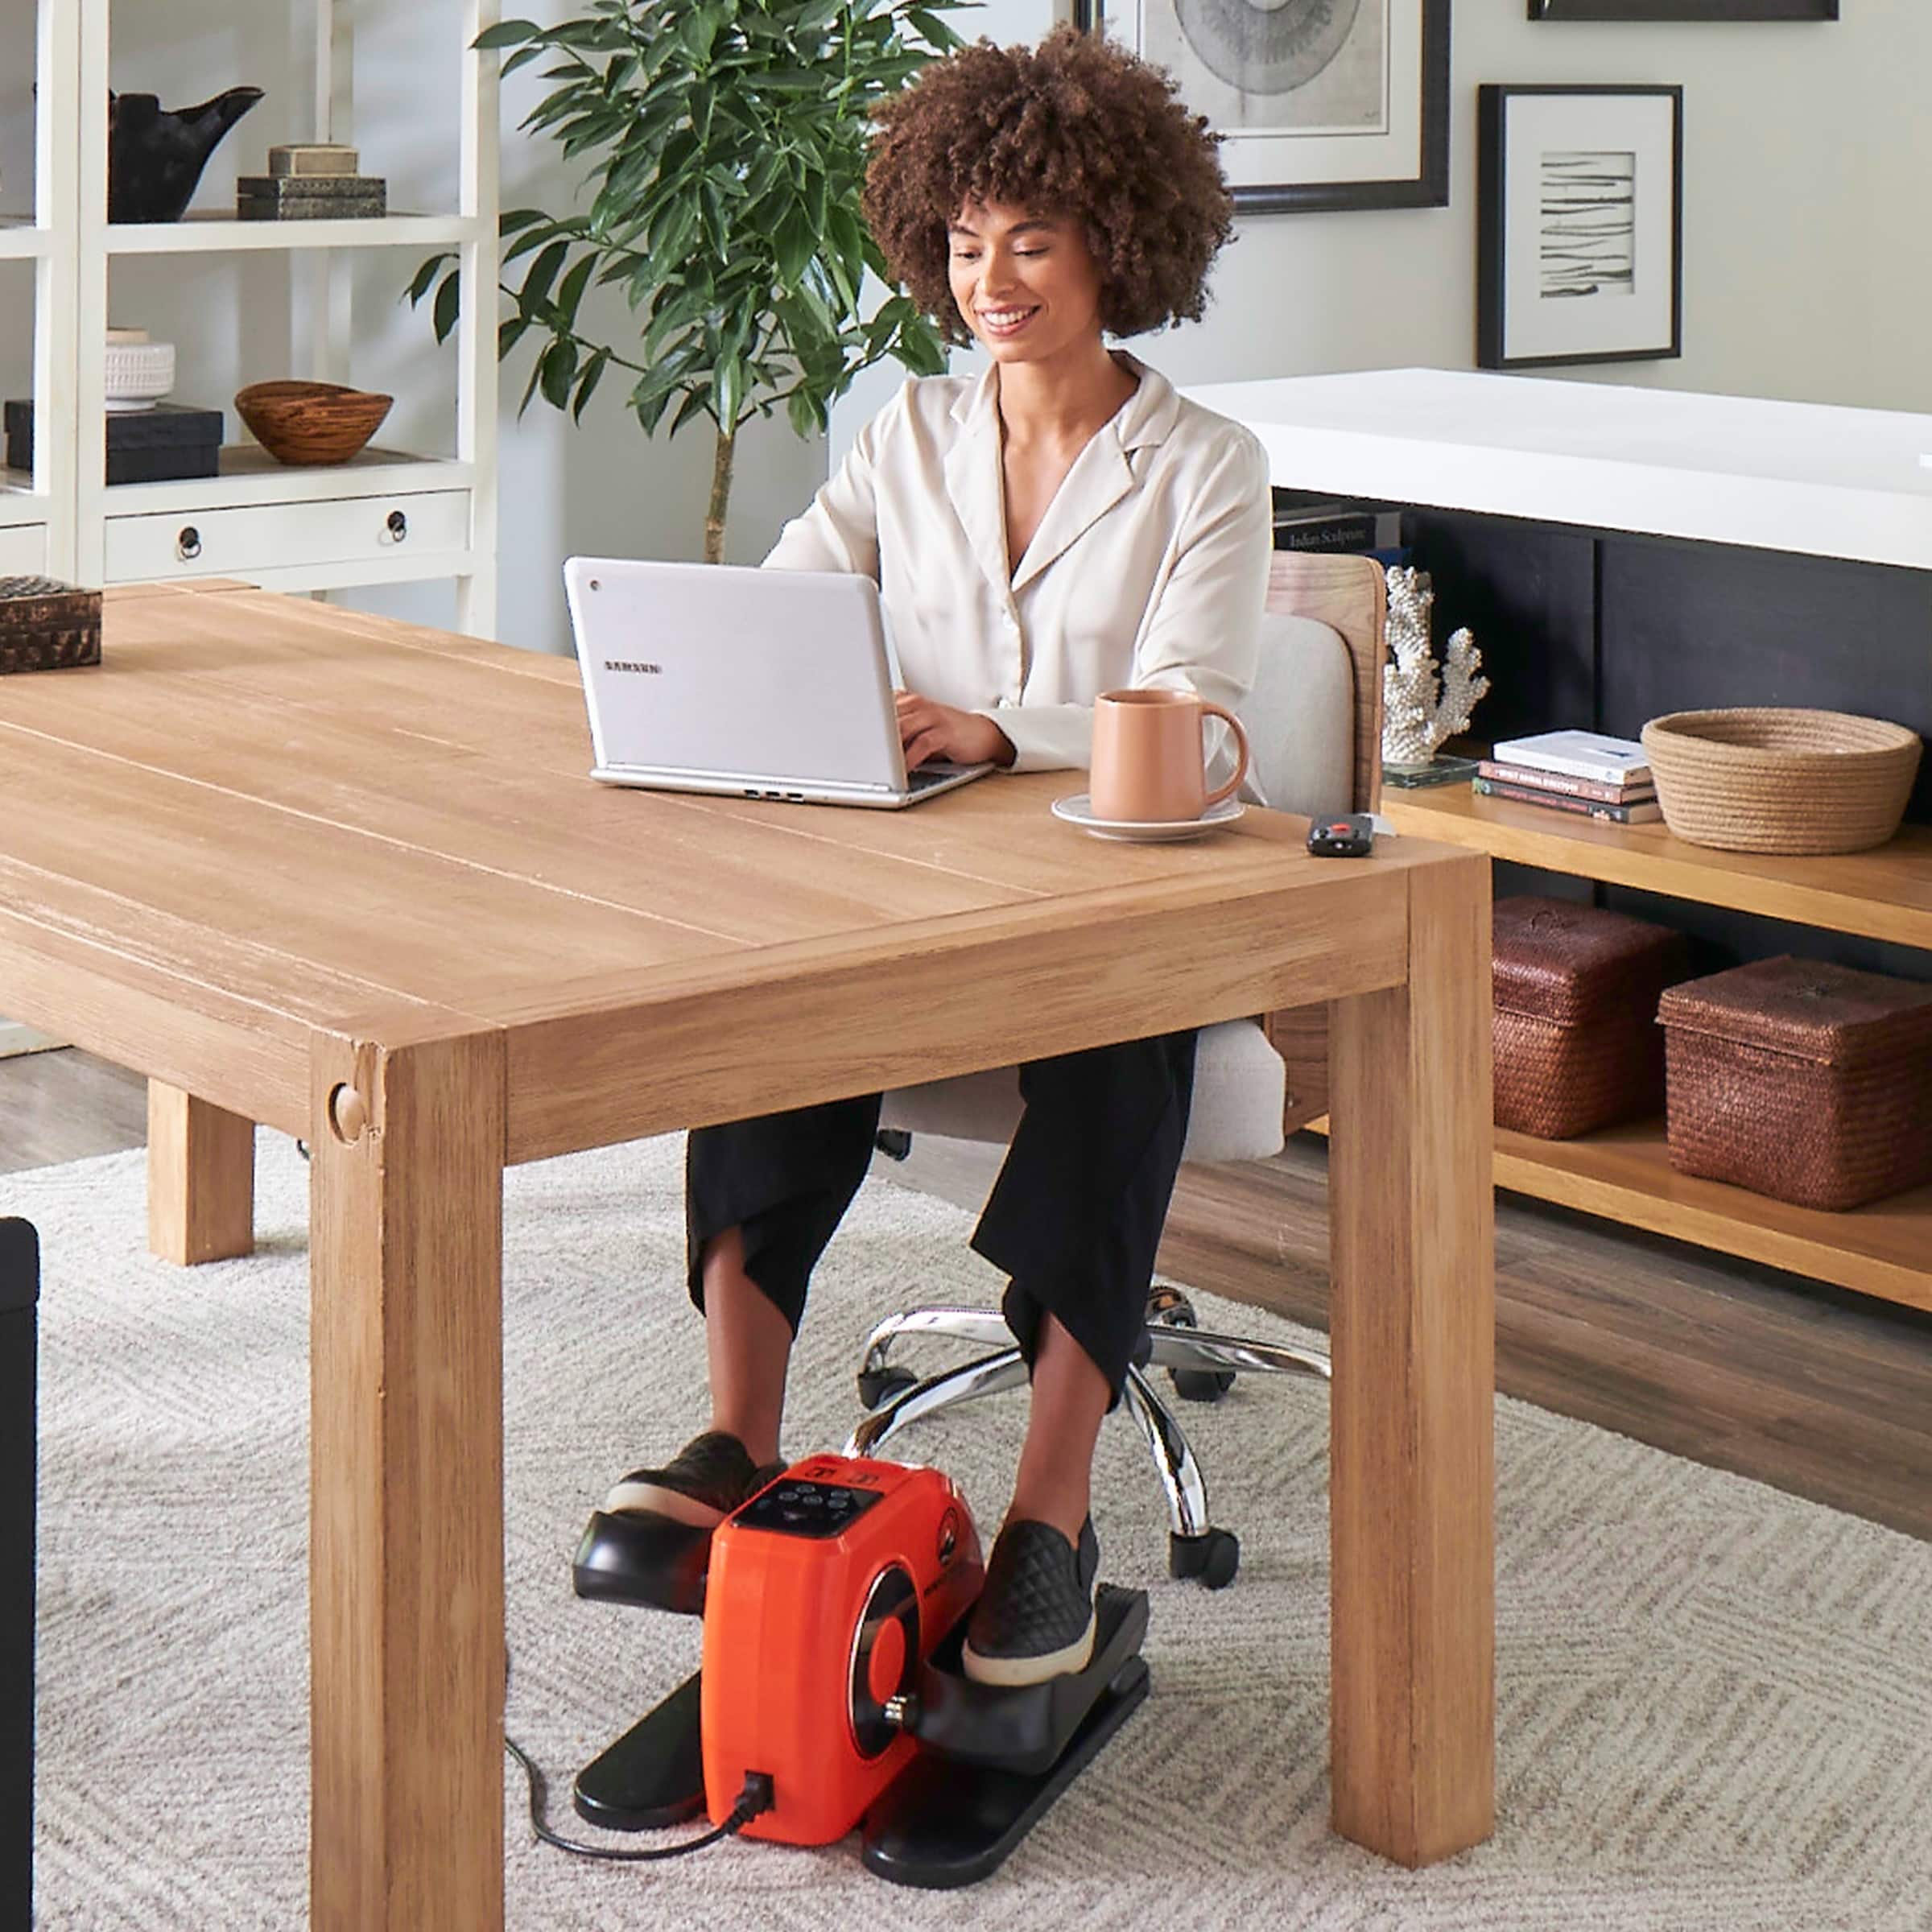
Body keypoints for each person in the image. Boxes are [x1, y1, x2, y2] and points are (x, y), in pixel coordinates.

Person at [592, 27, 1272, 1687]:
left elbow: (1200, 710)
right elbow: (781, 599)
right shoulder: (902, 437)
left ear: (1119, 240)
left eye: (1030, 242)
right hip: (916, 879)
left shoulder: (1205, 468)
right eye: (965, 246)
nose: (994, 279)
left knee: (1122, 1052)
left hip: (1114, 886)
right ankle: (737, 1436)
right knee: (774, 1006)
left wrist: (993, 728)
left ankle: (1052, 1514)